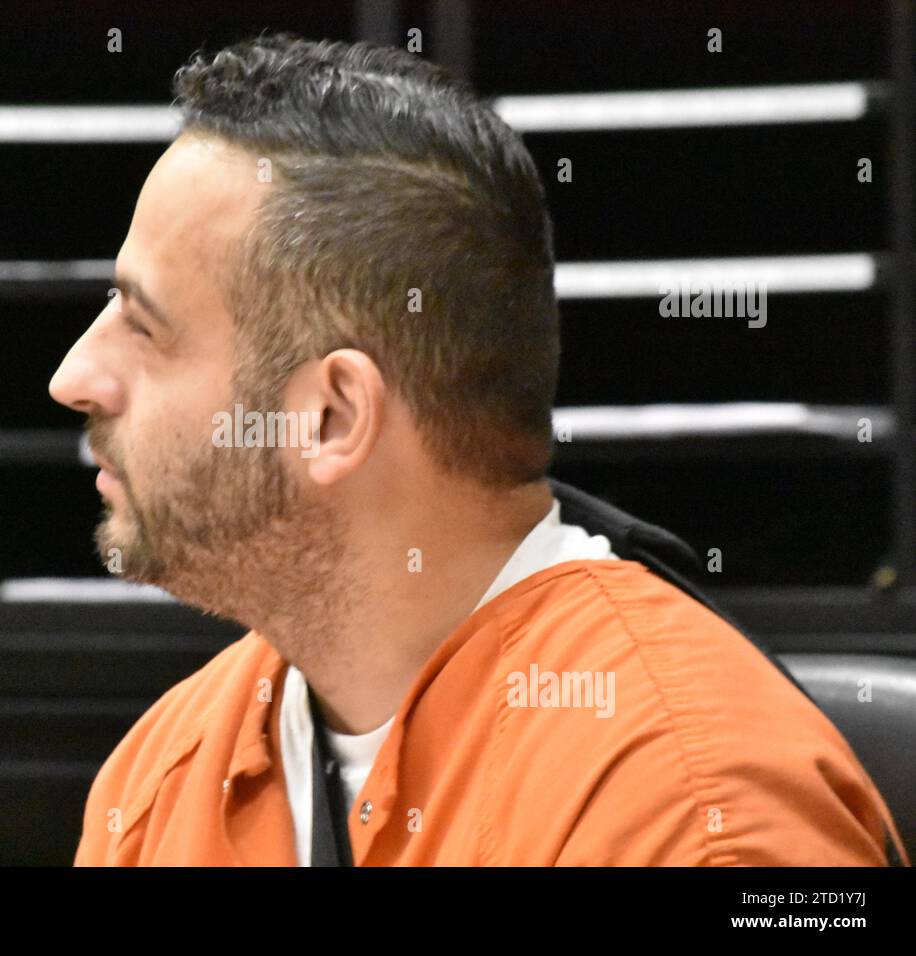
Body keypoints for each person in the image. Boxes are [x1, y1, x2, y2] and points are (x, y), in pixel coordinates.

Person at [49, 33, 906, 866]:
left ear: (331, 417)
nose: (74, 375)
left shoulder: (695, 816)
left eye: (145, 326)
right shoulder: (161, 778)